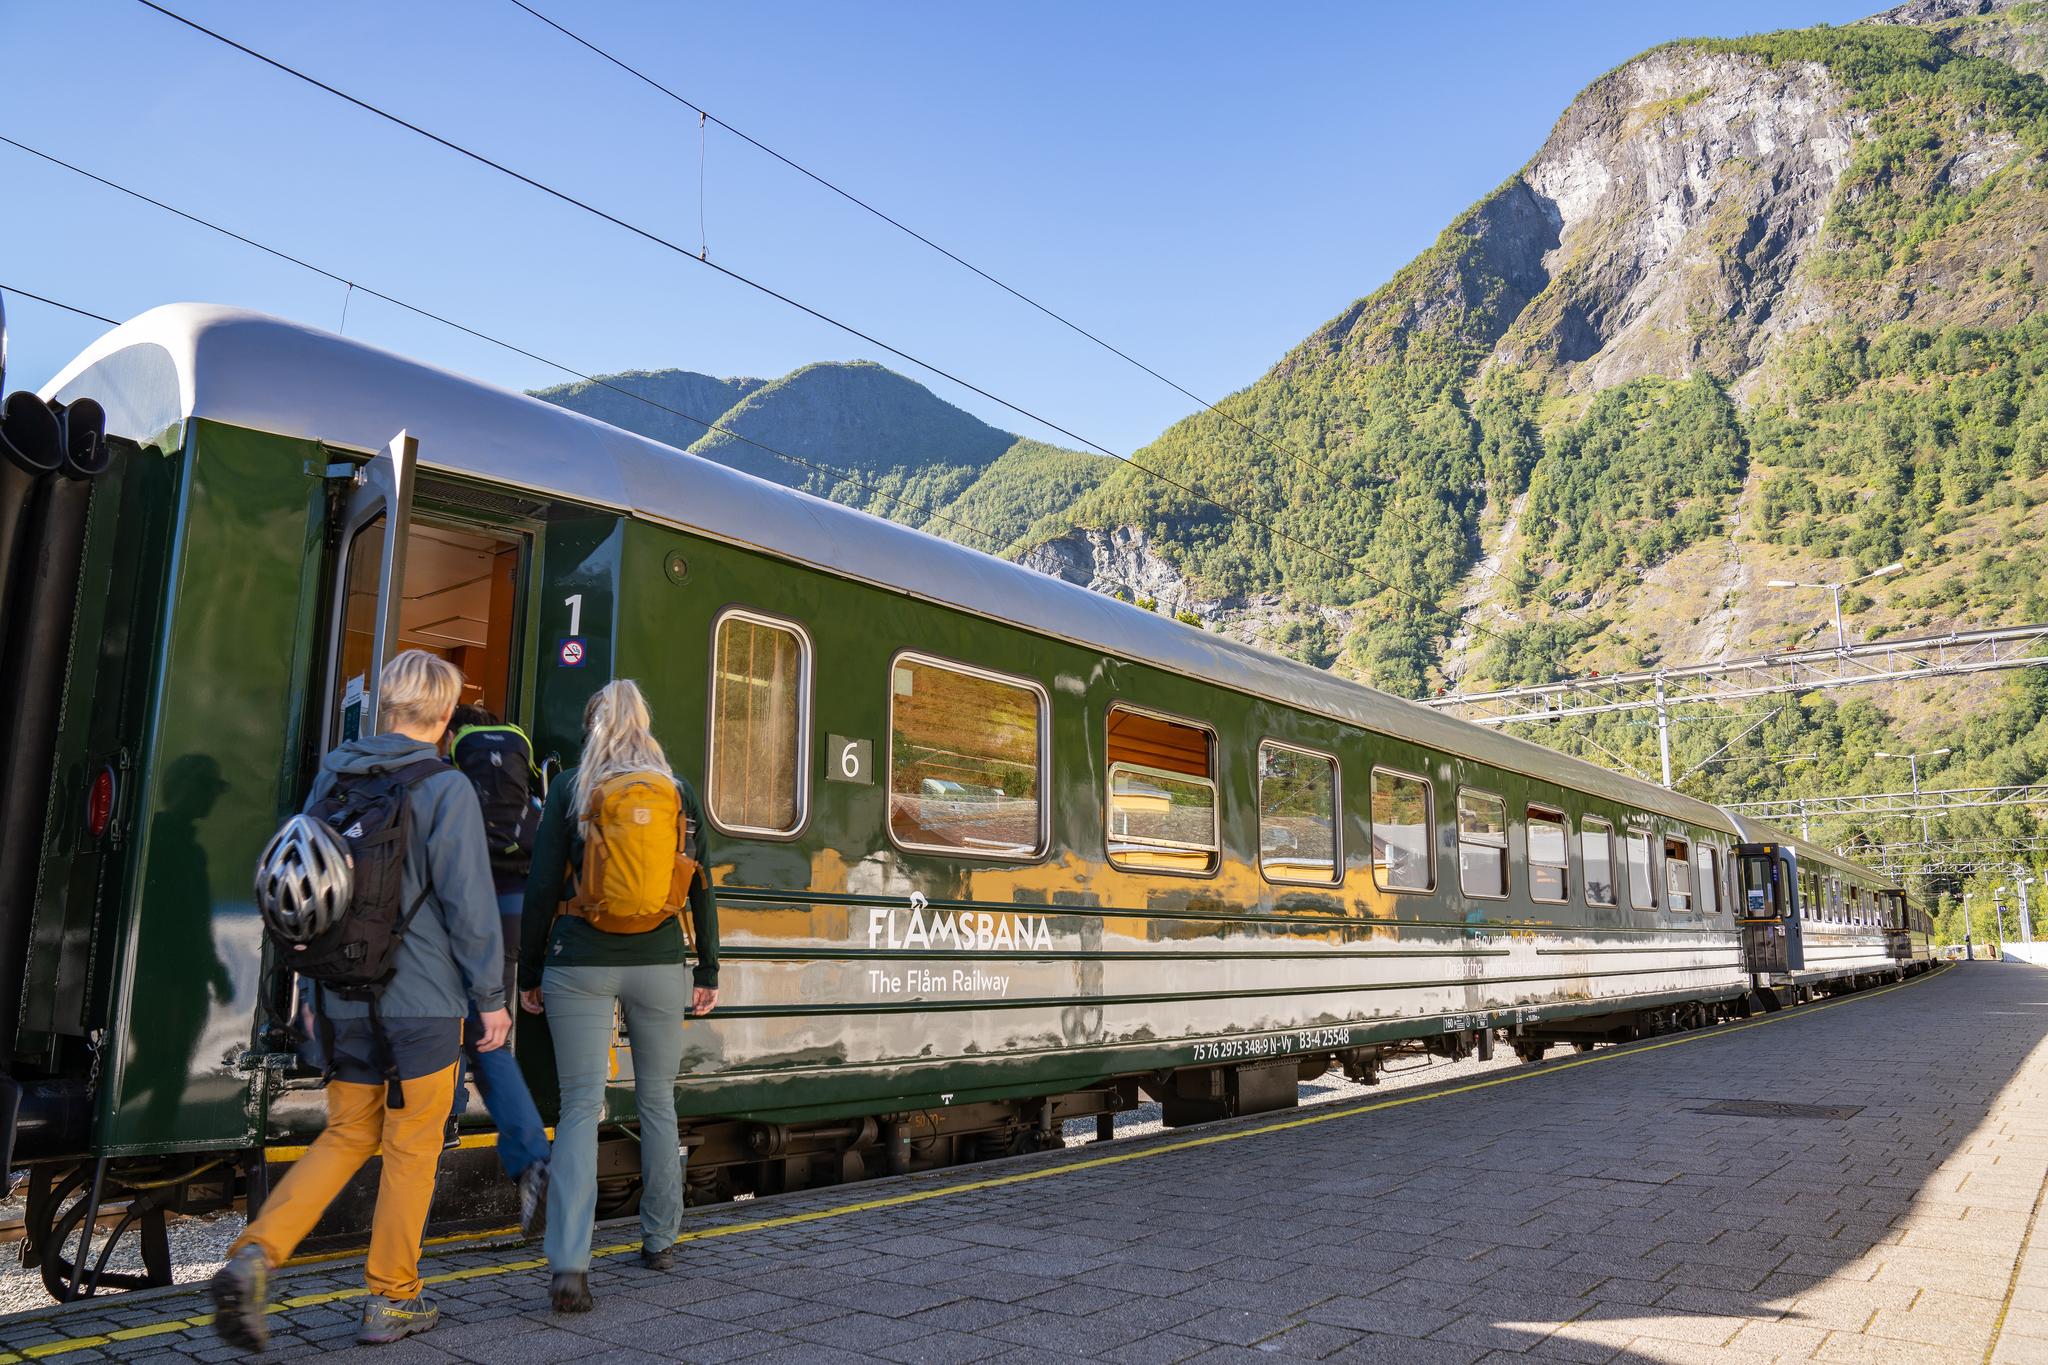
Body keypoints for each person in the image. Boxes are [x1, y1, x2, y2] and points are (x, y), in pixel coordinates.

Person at [213, 652, 510, 1351]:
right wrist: (490, 997)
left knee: (347, 1133)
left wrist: (313, 991)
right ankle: (391, 1299)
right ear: (443, 715)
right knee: (411, 1148)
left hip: (343, 993)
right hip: (424, 1003)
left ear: (385, 708)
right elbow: (470, 904)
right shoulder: (445, 785)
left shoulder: (334, 774)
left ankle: (253, 1254)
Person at [519, 679, 719, 1313]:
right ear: (645, 723)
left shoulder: (575, 789)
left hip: (578, 962)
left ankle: (570, 1269)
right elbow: (702, 888)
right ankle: (660, 1242)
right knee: (658, 1098)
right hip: (660, 962)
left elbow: (542, 886)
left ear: (593, 726)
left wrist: (528, 973)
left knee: (581, 1106)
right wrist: (707, 969)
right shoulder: (677, 794)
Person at [443, 702, 552, 1239]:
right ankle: (532, 1157)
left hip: (464, 902)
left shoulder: (449, 774)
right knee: (490, 1032)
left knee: (445, 1017)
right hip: (514, 907)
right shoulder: (522, 776)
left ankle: (445, 1114)